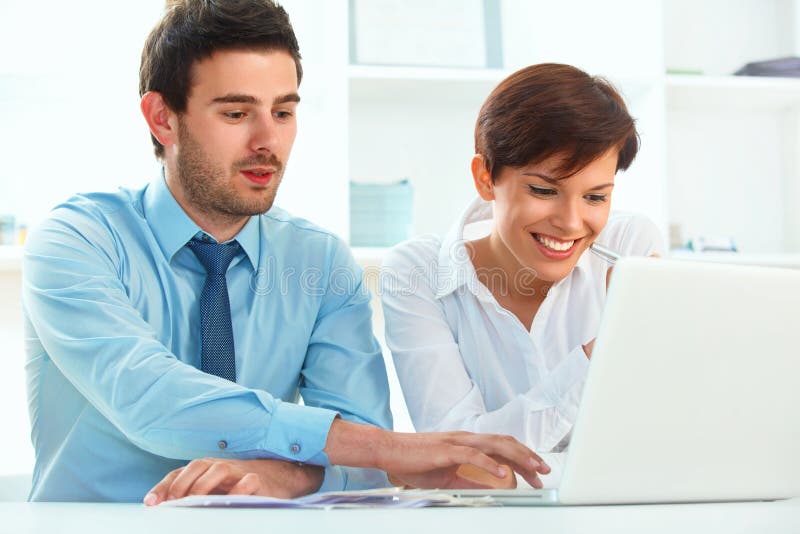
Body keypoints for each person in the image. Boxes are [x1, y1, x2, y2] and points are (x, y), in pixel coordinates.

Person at [21, 0, 549, 503]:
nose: (267, 141)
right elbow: (148, 397)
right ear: (162, 118)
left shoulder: (319, 263)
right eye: (235, 113)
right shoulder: (76, 240)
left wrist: (282, 476)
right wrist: (395, 448)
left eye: (283, 112)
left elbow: (360, 462)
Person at [380, 63, 665, 485]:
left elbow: (651, 441)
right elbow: (455, 453)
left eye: (595, 196)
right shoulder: (417, 273)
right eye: (544, 190)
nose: (571, 222)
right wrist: (598, 354)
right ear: (486, 178)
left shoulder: (629, 250)